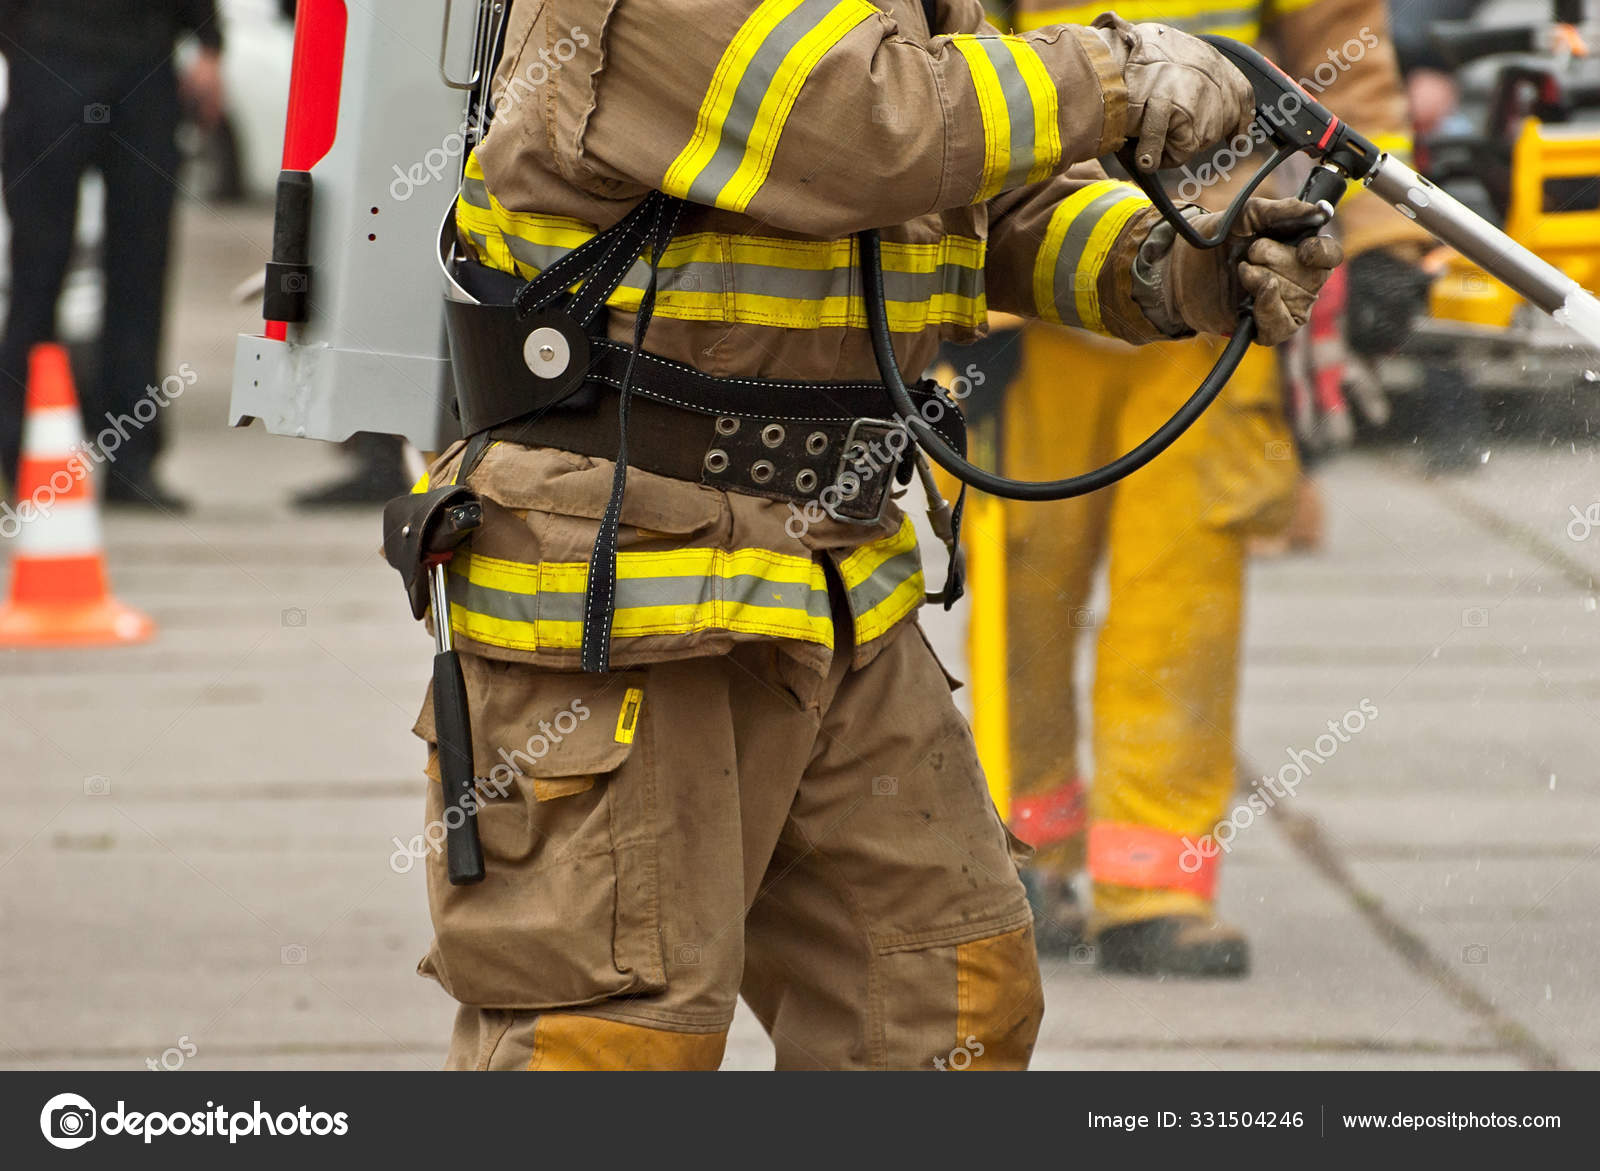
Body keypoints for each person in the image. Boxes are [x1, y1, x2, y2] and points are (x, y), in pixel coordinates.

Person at [410, 0, 1339, 1070]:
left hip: (829, 577)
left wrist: (1175, 265)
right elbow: (863, 127)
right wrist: (1119, 74)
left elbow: (989, 197)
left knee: (948, 998)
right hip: (623, 582)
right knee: (615, 1041)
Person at [978, 0, 1430, 977]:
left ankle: (1153, 882)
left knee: (1182, 591)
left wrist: (1382, 236)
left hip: (1214, 267)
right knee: (1020, 586)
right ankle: (1018, 852)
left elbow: (1343, 53)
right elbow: (935, 63)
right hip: (1031, 277)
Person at [0, 0, 223, 509]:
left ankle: (132, 461)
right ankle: (18, 454)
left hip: (143, 60)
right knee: (37, 272)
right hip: (48, 52)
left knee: (140, 273)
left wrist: (210, 44)